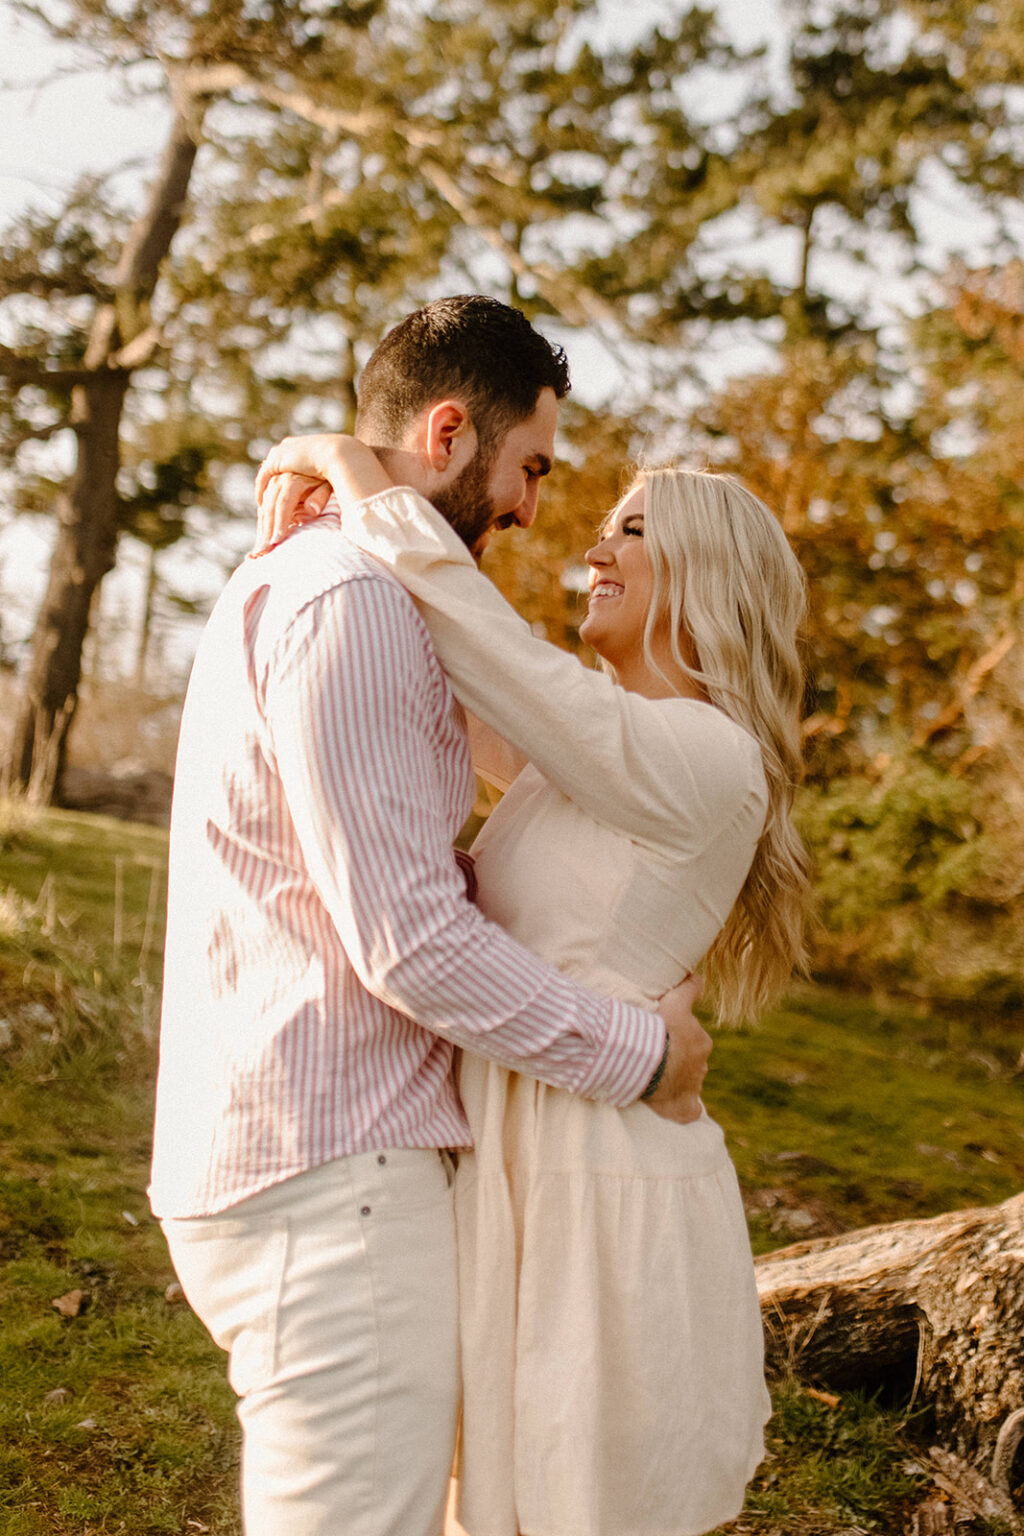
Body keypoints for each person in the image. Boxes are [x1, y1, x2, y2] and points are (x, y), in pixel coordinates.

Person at [149, 294, 715, 1536]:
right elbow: (406, 941)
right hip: (333, 1174)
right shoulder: (350, 599)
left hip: (307, 1156)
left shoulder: (333, 585)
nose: (531, 509)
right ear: (449, 432)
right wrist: (643, 1054)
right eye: (531, 468)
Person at [253, 433, 810, 1536]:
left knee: (574, 1500)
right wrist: (326, 534)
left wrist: (354, 469)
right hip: (525, 1148)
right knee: (491, 1494)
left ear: (707, 573)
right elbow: (429, 669)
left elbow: (486, 645)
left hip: (596, 1177)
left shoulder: (705, 754)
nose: (593, 550)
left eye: (631, 530)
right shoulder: (590, 758)